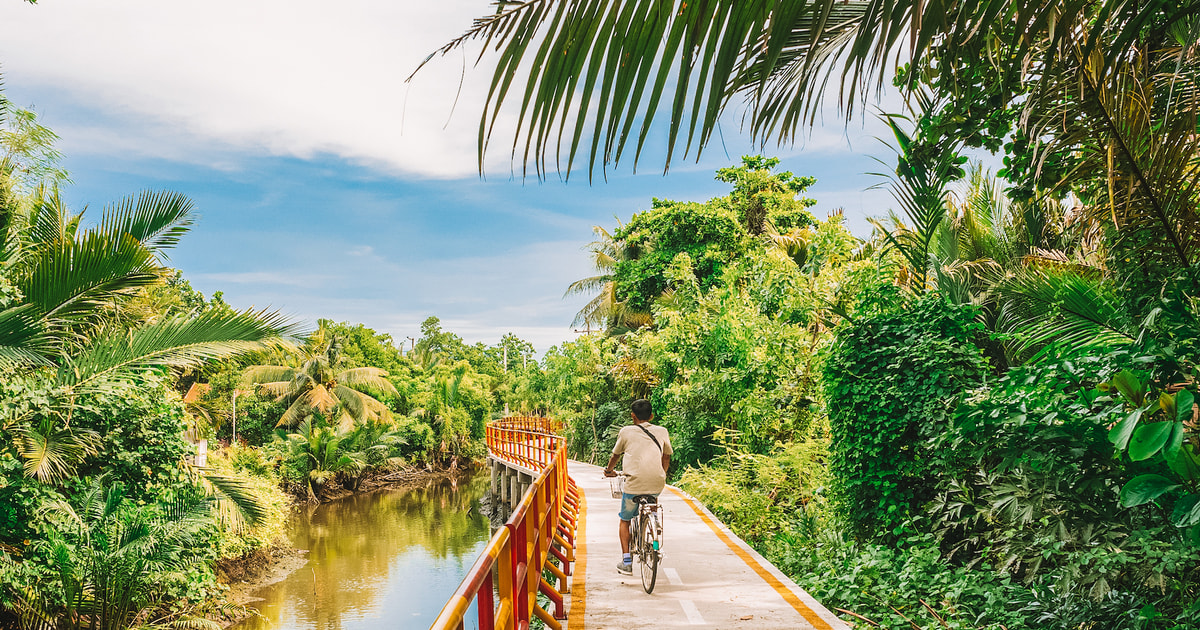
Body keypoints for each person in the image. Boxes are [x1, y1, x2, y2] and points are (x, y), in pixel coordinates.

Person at [604, 399, 671, 575]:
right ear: (652, 416)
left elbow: (615, 455)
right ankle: (653, 518)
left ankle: (626, 561)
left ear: (633, 416)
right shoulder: (662, 431)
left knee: (625, 519)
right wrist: (662, 473)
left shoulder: (626, 431)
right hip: (657, 481)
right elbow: (666, 457)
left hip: (633, 484)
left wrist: (609, 470)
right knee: (652, 495)